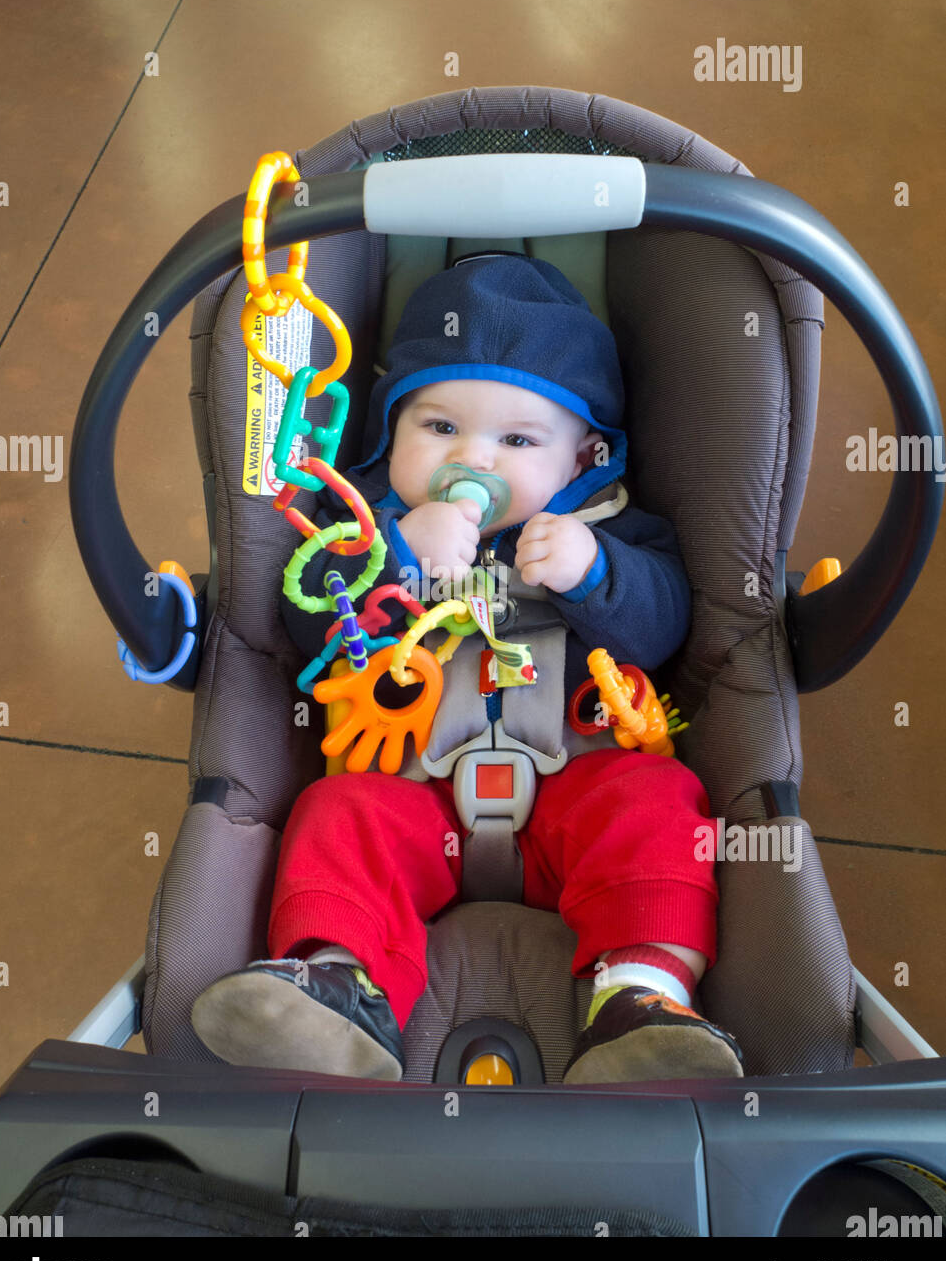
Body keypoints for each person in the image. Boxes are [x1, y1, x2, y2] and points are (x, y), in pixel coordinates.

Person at [191, 253, 744, 1084]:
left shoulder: (611, 527)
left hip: (573, 794)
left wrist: (598, 573)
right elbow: (312, 628)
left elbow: (665, 632)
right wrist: (395, 566)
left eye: (518, 440)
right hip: (414, 796)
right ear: (388, 430)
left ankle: (639, 996)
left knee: (660, 804)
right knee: (336, 810)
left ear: (584, 455)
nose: (473, 458)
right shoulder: (365, 529)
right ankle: (341, 987)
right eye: (439, 427)